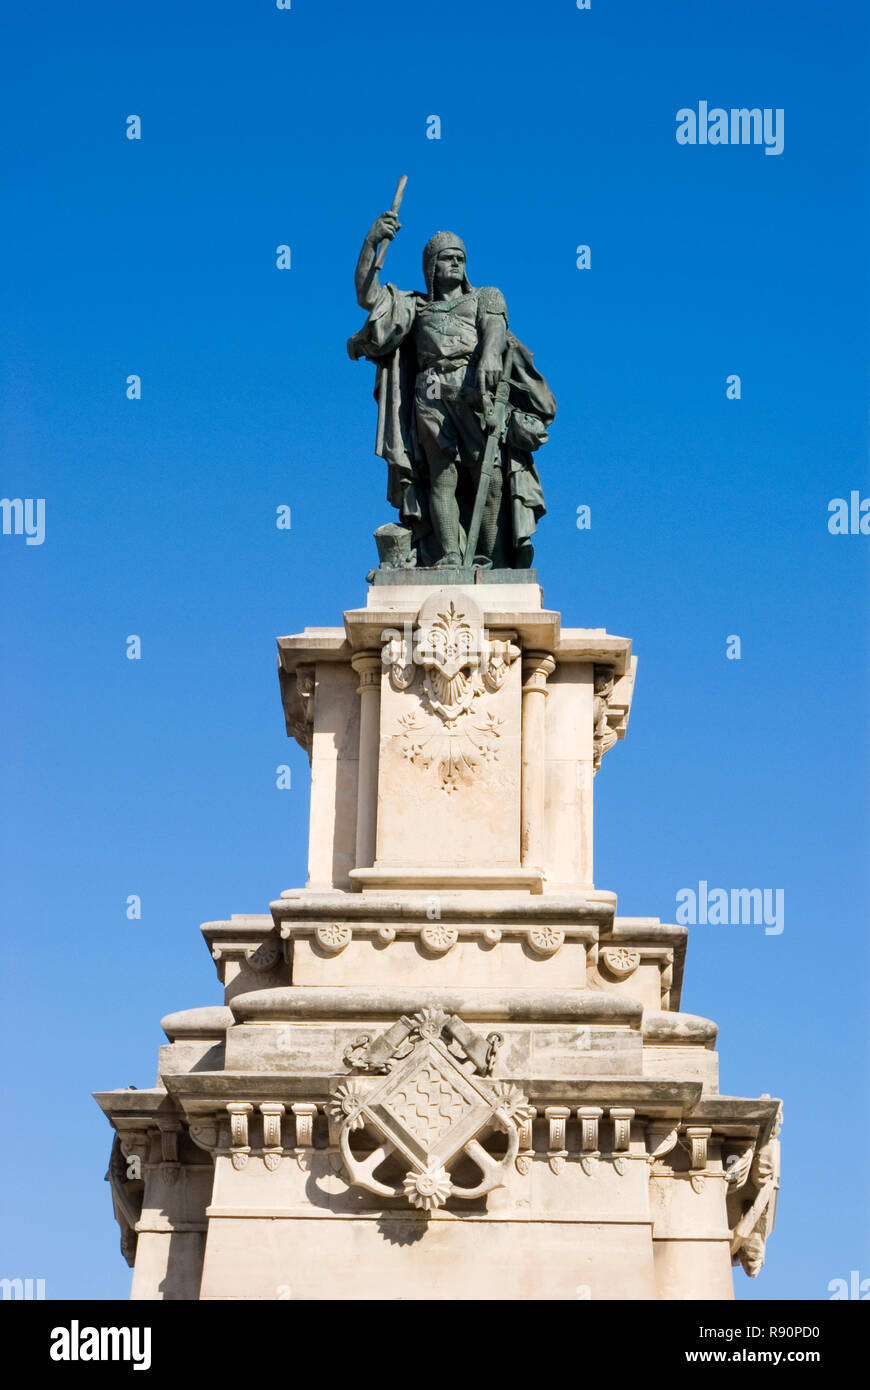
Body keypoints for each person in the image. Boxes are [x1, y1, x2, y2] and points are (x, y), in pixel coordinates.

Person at [348, 210, 555, 569]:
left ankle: (487, 558)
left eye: (461, 257)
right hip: (430, 396)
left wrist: (489, 356)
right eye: (448, 257)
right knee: (442, 477)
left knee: (488, 478)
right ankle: (449, 555)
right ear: (431, 266)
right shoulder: (414, 306)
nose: (457, 262)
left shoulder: (485, 297)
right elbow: (368, 298)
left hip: (476, 391)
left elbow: (494, 331)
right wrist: (371, 241)